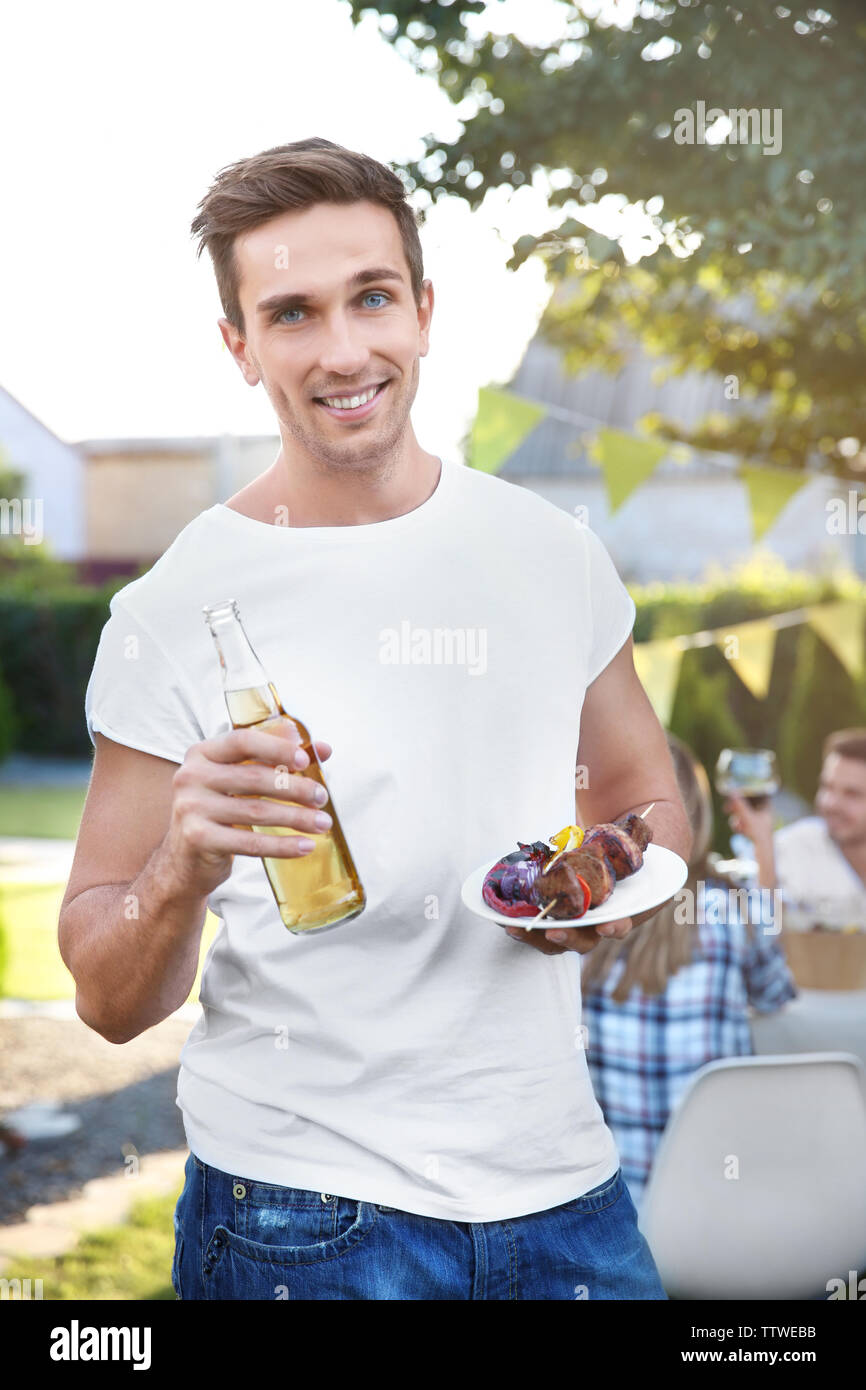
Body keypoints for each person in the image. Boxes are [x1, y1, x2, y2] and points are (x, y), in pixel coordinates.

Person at [59, 138, 691, 1301]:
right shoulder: (175, 608)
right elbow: (106, 999)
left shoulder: (554, 555)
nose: (342, 350)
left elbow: (644, 799)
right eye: (292, 313)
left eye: (371, 298)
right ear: (239, 347)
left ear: (424, 311)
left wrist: (599, 898)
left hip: (566, 1195)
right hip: (300, 1216)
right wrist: (184, 863)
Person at [579, 734, 797, 1215]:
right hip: (721, 1209)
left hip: (614, 1214)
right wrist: (764, 846)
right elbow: (776, 993)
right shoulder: (732, 911)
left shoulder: (582, 929)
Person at [725, 728, 866, 929]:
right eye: (827, 787)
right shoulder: (795, 847)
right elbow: (763, 922)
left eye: (852, 794)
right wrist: (763, 842)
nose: (831, 803)